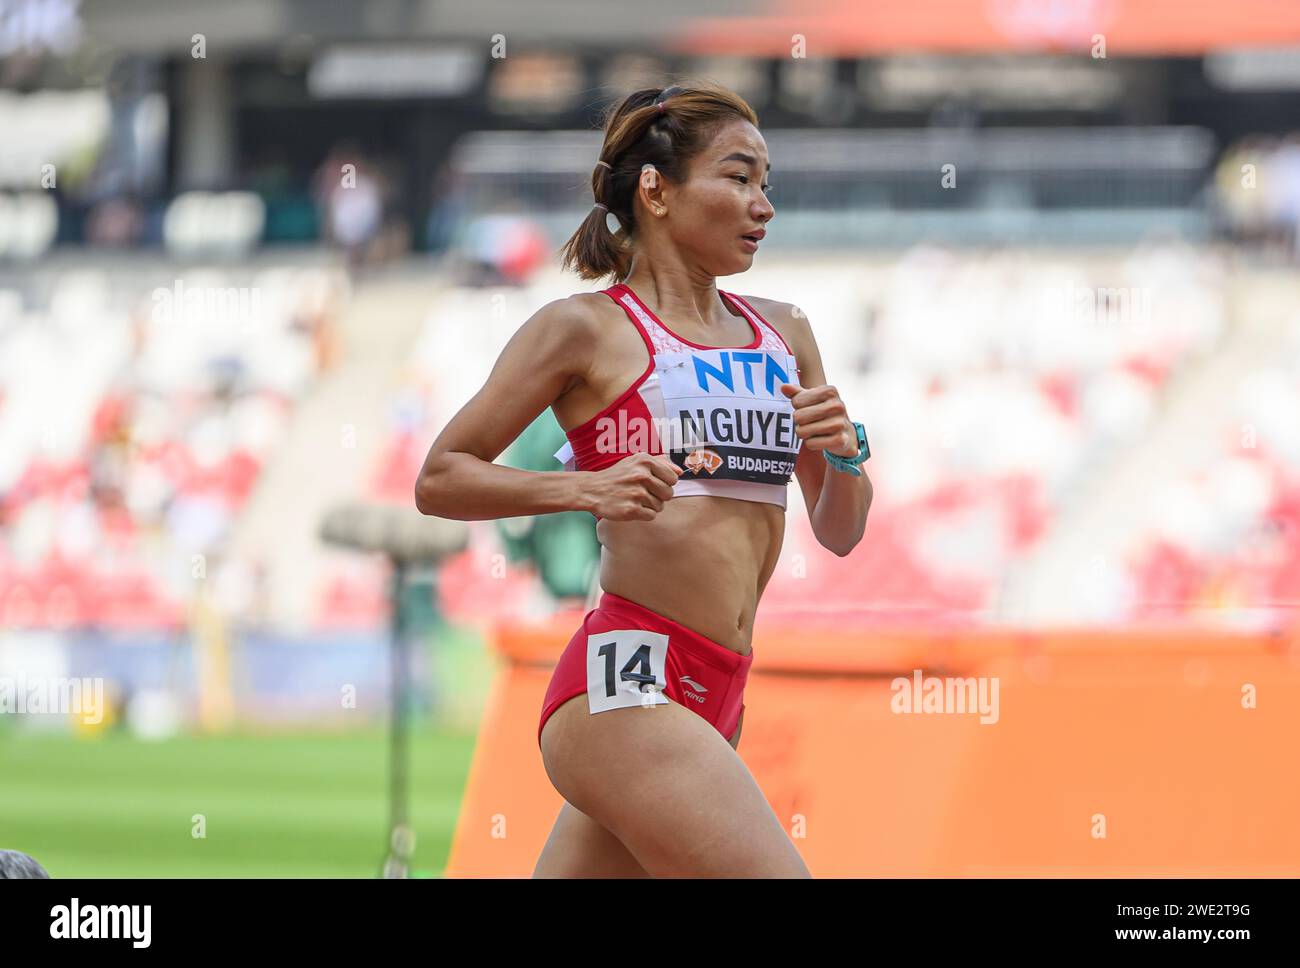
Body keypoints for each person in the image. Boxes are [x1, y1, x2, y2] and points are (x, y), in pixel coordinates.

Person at [414, 83, 872, 877]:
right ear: (656, 191)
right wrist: (582, 489)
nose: (762, 205)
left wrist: (845, 456)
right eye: (738, 178)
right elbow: (440, 478)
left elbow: (840, 530)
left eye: (767, 183)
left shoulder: (784, 331)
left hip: (721, 686)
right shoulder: (584, 328)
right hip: (627, 678)